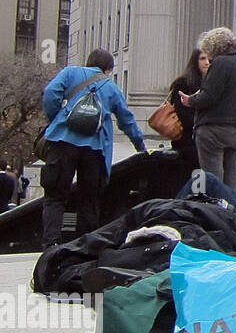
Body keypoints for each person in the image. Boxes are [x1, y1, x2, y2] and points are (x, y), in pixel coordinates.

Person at [39, 48, 147, 248]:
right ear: (107, 70)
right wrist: (140, 145)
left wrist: (56, 119)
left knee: (55, 197)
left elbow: (51, 93)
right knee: (89, 201)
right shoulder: (111, 87)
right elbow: (126, 120)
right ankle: (84, 248)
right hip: (94, 150)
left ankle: (50, 246)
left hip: (63, 143)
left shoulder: (70, 72)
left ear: (88, 63)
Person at [179, 27, 236, 193]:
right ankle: (231, 212)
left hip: (213, 130)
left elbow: (209, 96)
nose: (208, 58)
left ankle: (215, 212)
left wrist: (190, 100)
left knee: (212, 179)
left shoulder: (220, 64)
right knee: (231, 179)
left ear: (214, 48)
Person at [166, 48, 206, 168]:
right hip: (186, 139)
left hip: (206, 139)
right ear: (195, 61)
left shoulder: (212, 83)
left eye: (209, 59)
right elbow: (181, 114)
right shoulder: (183, 83)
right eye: (202, 59)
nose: (207, 62)